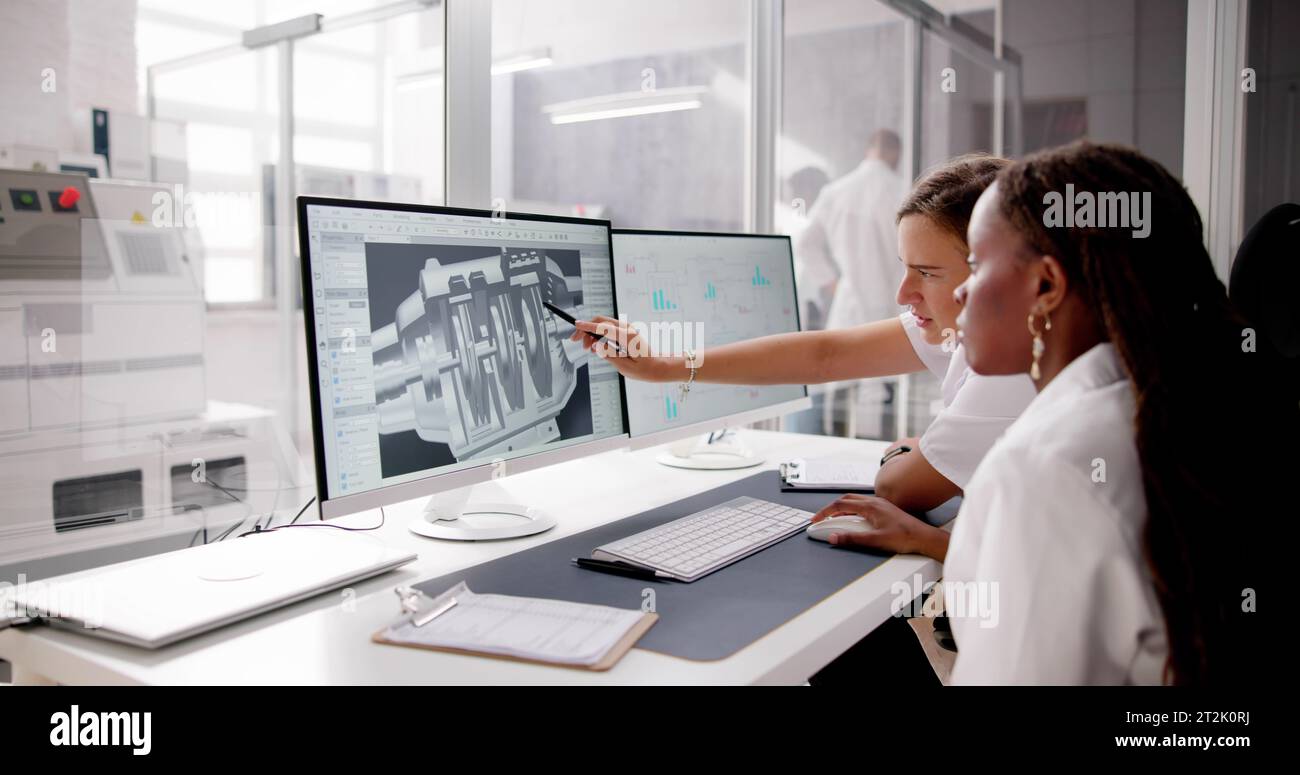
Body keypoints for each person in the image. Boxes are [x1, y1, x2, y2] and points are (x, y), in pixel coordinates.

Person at [824, 140, 1284, 684]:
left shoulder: (1045, 468)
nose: (963, 292)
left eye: (976, 264)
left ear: (1045, 287)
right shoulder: (1174, 404)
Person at [575, 155, 1036, 554]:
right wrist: (665, 367)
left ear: (999, 273)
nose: (903, 293)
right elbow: (827, 354)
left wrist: (913, 451)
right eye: (904, 269)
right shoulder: (986, 333)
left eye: (927, 273)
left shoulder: (1009, 369)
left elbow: (899, 488)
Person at [791, 129, 907, 438]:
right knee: (883, 397)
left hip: (850, 304)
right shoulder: (903, 192)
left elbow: (806, 244)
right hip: (892, 307)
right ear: (896, 154)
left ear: (870, 150)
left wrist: (832, 282)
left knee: (839, 395)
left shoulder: (837, 191)